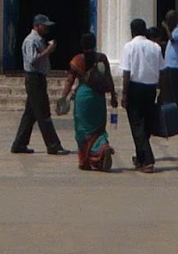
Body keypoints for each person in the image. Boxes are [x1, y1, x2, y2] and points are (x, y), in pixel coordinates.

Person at [11, 12, 67, 156]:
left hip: (39, 78)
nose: (47, 28)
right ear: (37, 26)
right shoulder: (31, 41)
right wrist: (48, 50)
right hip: (34, 78)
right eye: (44, 26)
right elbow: (32, 60)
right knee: (43, 113)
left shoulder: (39, 40)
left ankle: (19, 144)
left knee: (30, 114)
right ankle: (53, 145)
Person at [120, 16, 164, 173]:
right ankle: (140, 158)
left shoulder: (129, 47)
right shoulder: (155, 47)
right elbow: (162, 70)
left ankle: (148, 160)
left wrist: (124, 93)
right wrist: (161, 90)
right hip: (150, 89)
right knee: (146, 125)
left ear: (132, 31)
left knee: (137, 125)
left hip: (135, 88)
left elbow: (126, 73)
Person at [72, 49, 115, 171]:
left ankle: (85, 160)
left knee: (82, 130)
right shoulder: (102, 58)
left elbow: (70, 78)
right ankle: (103, 147)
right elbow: (109, 77)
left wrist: (64, 96)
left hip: (83, 97)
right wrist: (113, 96)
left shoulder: (78, 59)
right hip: (99, 98)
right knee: (98, 129)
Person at [161, 8, 178, 122]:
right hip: (170, 65)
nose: (168, 23)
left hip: (176, 65)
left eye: (169, 20)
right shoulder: (177, 28)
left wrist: (166, 28)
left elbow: (173, 39)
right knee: (169, 91)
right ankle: (172, 114)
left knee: (177, 92)